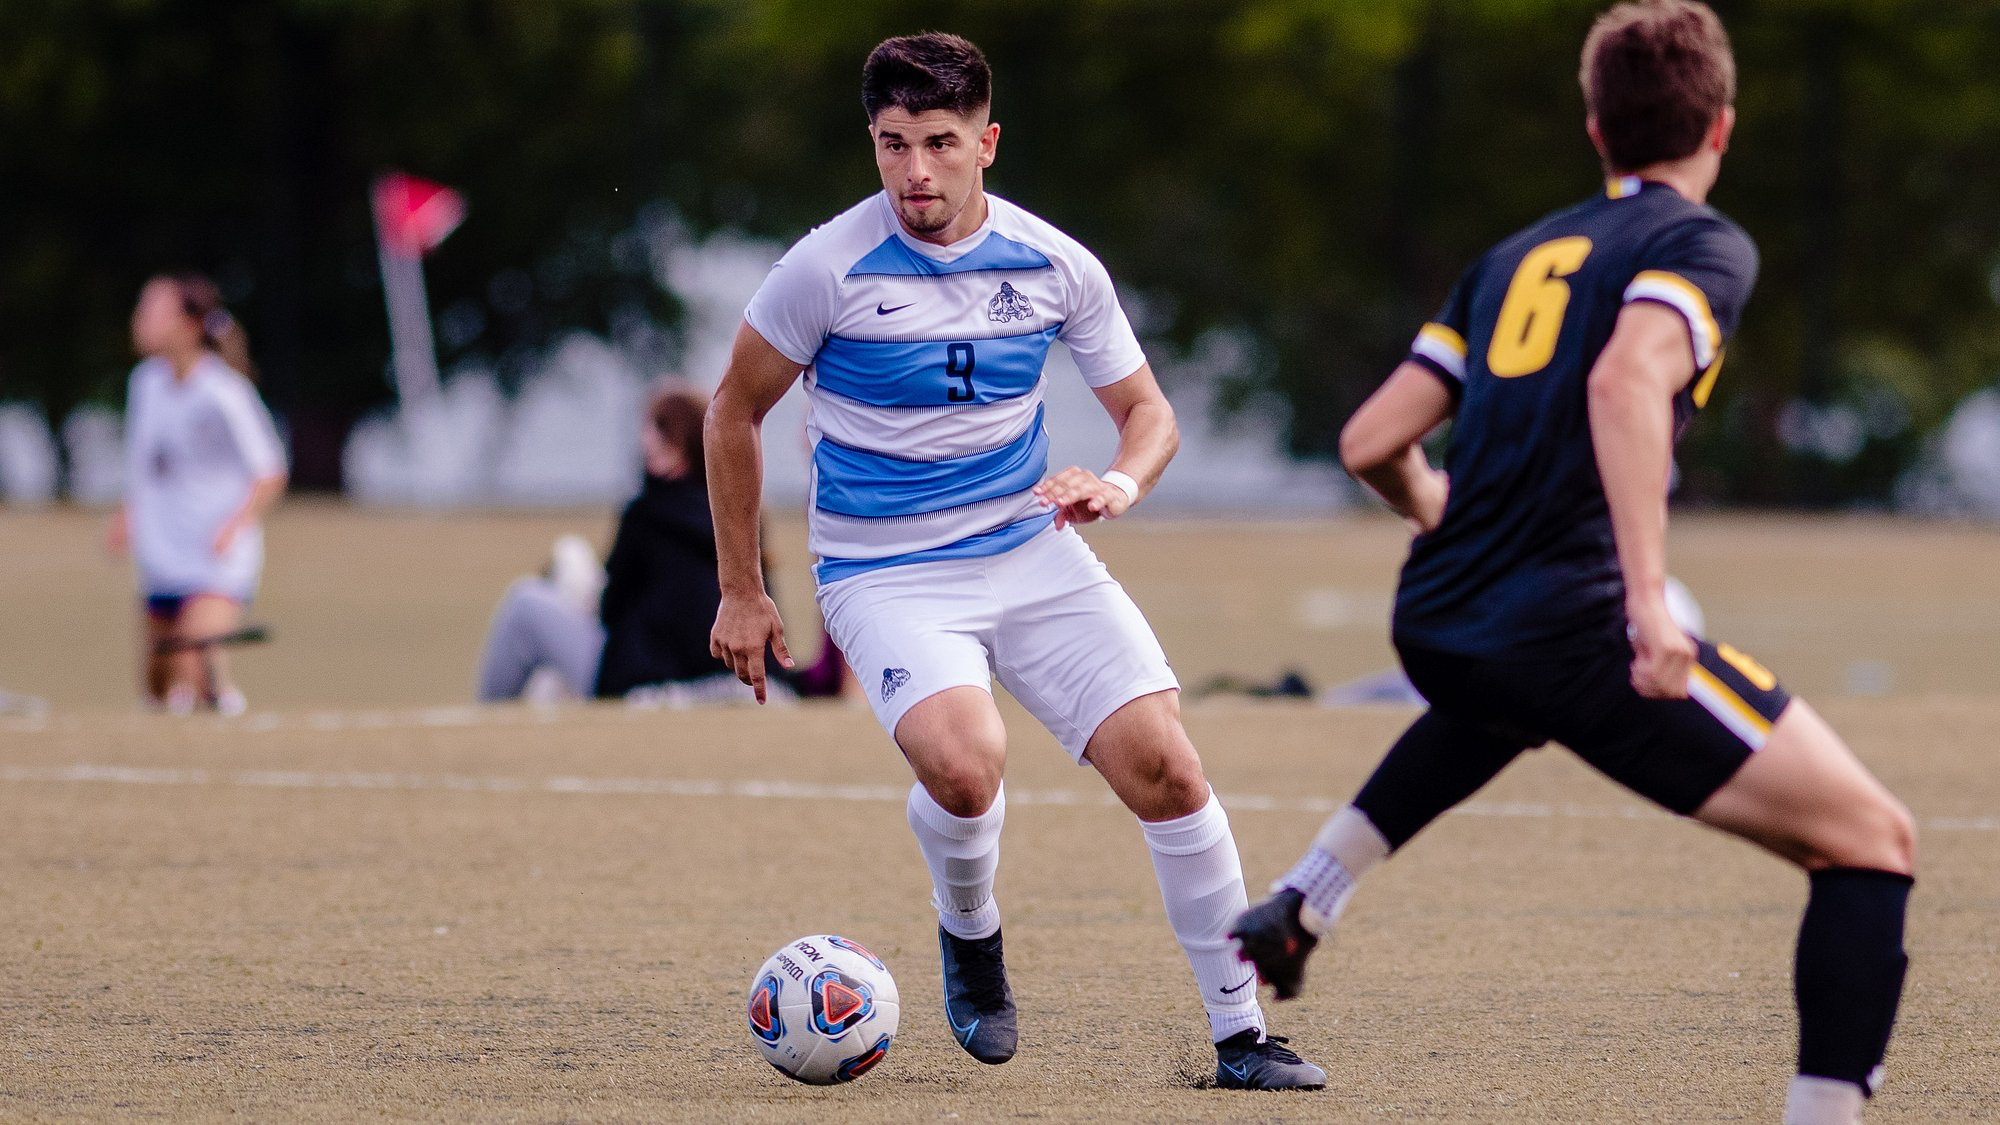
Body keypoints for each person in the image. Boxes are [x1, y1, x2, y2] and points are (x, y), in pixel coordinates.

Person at [1229, 4, 1914, 1121]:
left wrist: (1433, 507)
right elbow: (1624, 381)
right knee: (1871, 845)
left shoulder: (1514, 256)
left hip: (1444, 619)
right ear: (1720, 129)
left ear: (1594, 131)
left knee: (1505, 689)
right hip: (1571, 623)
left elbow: (1368, 441)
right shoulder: (1698, 243)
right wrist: (1648, 603)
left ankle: (1302, 902)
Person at [705, 33, 1324, 1090]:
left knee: (1168, 771)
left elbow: (1147, 414)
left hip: (1034, 551)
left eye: (939, 143)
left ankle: (1239, 1038)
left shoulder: (1052, 263)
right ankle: (970, 933)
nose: (913, 174)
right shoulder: (823, 268)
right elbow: (732, 412)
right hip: (884, 572)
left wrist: (1116, 484)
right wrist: (741, 590)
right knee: (964, 760)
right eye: (891, 144)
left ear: (985, 143)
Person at [476, 381, 843, 706]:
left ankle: (484, 721)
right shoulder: (744, 512)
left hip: (645, 680)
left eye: (659, 428)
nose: (646, 439)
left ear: (682, 441)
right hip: (744, 681)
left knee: (526, 602)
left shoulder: (646, 514)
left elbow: (611, 609)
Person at [111, 273, 287, 715]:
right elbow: (148, 468)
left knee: (191, 665)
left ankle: (221, 696)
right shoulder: (145, 384)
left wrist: (234, 527)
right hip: (163, 556)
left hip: (214, 558)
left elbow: (269, 472)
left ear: (189, 325)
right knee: (156, 685)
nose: (141, 320)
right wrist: (130, 515)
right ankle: (215, 696)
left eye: (154, 311)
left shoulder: (223, 392)